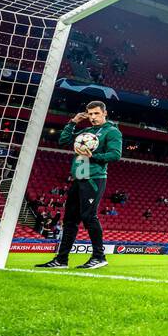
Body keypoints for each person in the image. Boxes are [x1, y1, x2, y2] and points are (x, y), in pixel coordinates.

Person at [37, 101, 123, 270]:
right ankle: (61, 260)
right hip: (79, 177)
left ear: (105, 113)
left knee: (89, 216)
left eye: (96, 113)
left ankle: (99, 256)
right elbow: (63, 140)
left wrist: (94, 156)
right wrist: (73, 122)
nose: (93, 117)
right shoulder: (86, 131)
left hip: (94, 178)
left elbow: (115, 155)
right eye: (90, 114)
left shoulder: (112, 131)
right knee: (69, 220)